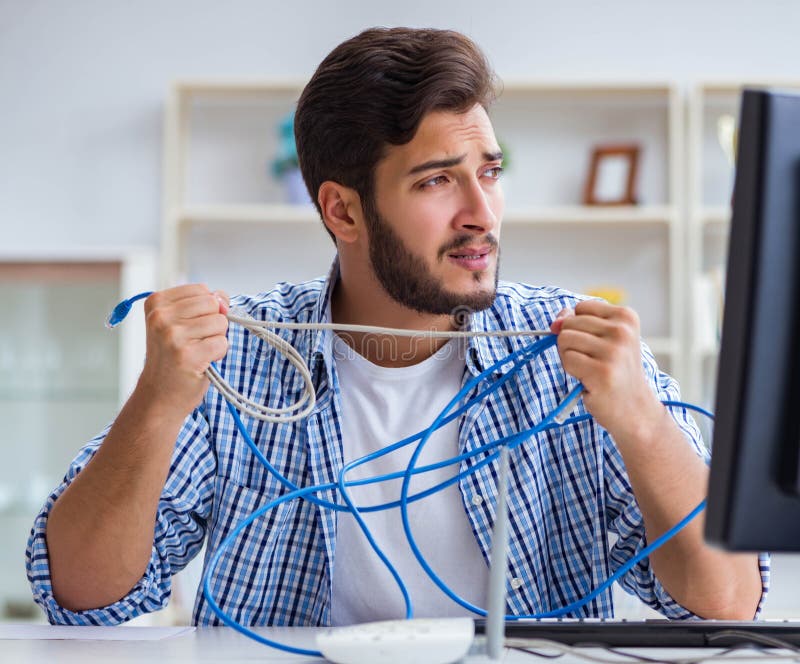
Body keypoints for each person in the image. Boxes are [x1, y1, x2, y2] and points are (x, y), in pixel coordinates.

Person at [27, 27, 766, 628]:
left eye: (491, 171)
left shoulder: (567, 351)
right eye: (438, 180)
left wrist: (639, 419)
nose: (482, 211)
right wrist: (157, 400)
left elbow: (728, 603)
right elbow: (81, 594)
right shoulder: (241, 357)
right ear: (342, 211)